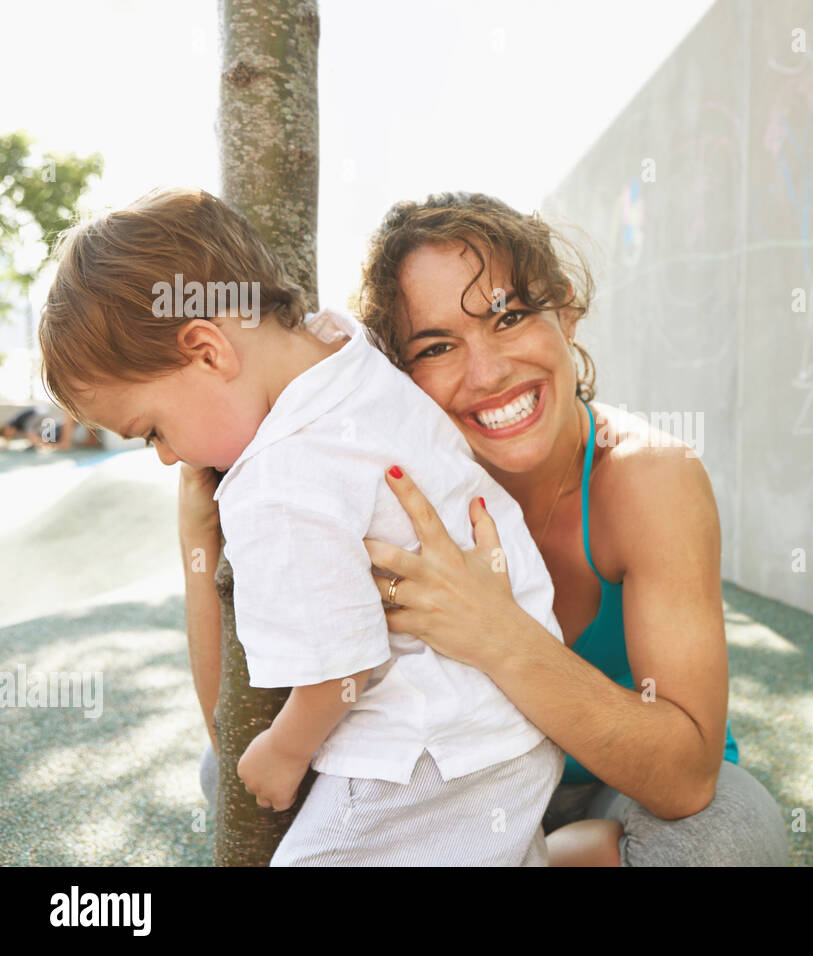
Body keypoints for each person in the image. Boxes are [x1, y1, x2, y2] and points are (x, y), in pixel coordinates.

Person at [38, 187, 571, 866]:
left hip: (428, 755)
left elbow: (345, 667)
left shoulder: (278, 479)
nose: (170, 456)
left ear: (207, 350)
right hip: (510, 728)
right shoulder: (347, 352)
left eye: (152, 431)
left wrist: (284, 751)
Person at [350, 191, 790, 865]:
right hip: (473, 776)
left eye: (510, 317)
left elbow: (686, 775)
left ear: (566, 311)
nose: (488, 373)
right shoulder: (399, 494)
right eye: (437, 345)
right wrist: (202, 522)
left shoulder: (649, 477)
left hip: (623, 791)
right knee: (231, 767)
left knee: (733, 836)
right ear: (403, 378)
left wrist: (496, 635)